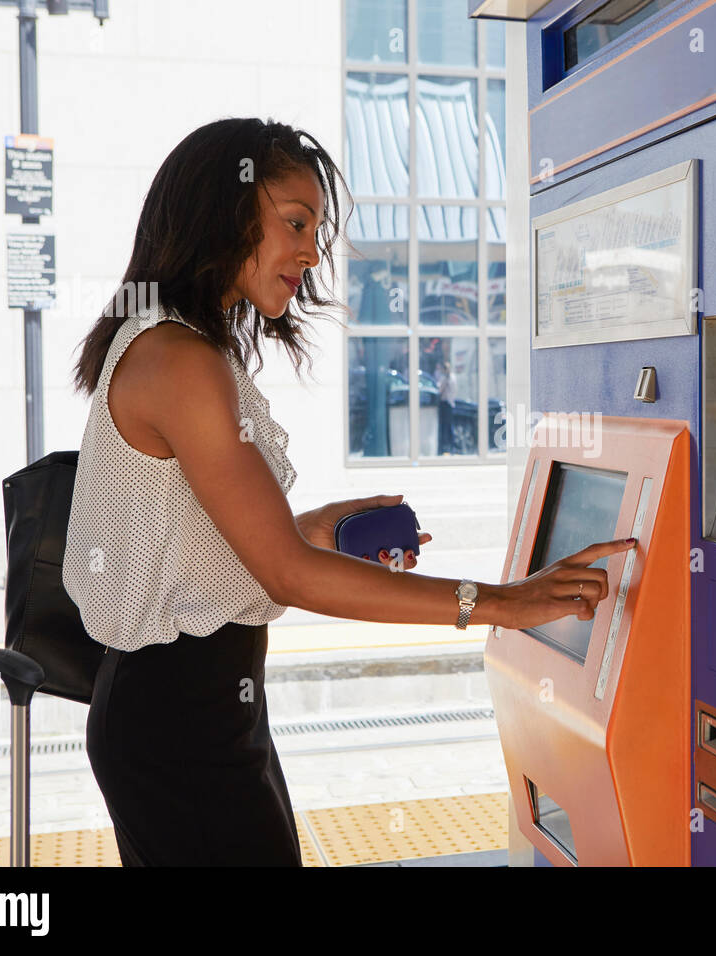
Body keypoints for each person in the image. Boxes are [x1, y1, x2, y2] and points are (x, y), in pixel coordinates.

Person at [62, 117, 633, 867]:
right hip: (183, 719)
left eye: (316, 230)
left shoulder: (168, 342)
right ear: (222, 210)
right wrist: (505, 602)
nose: (311, 251)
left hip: (188, 707)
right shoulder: (180, 360)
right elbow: (285, 576)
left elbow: (201, 546)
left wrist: (309, 527)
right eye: (295, 222)